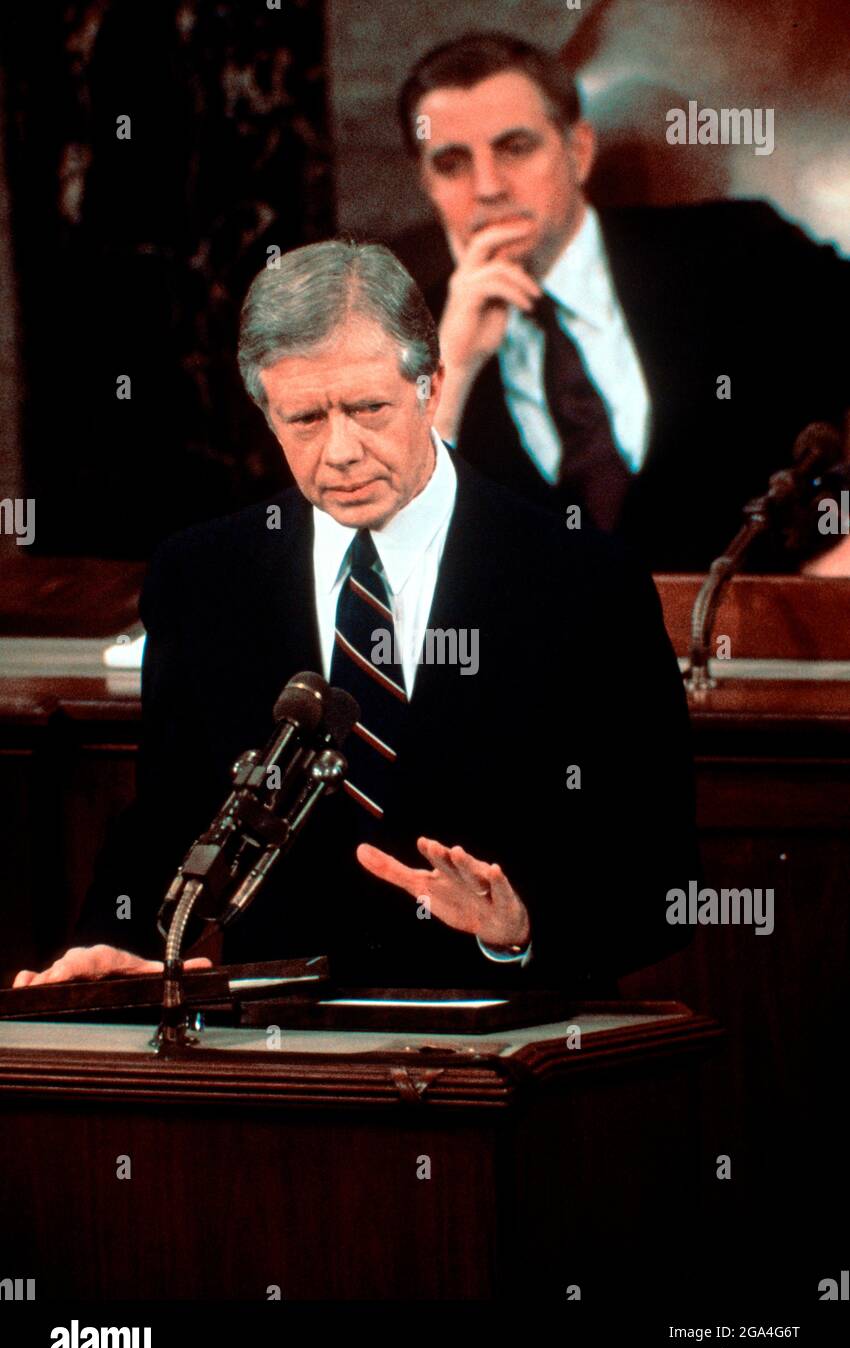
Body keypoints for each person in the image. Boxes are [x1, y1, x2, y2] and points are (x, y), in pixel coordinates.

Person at [14, 241, 696, 994]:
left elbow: (658, 876)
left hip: (506, 1046)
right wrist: (107, 946)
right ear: (265, 415)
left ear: (430, 386)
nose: (340, 451)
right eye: (304, 418)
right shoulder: (203, 577)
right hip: (284, 1059)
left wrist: (522, 931)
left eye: (368, 409)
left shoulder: (581, 580)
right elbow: (172, 820)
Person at [396, 32, 850, 572]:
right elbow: (384, 558)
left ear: (578, 150)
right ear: (427, 184)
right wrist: (454, 363)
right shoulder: (403, 335)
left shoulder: (739, 250)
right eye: (452, 163)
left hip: (765, 644)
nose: (488, 187)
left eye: (515, 147)